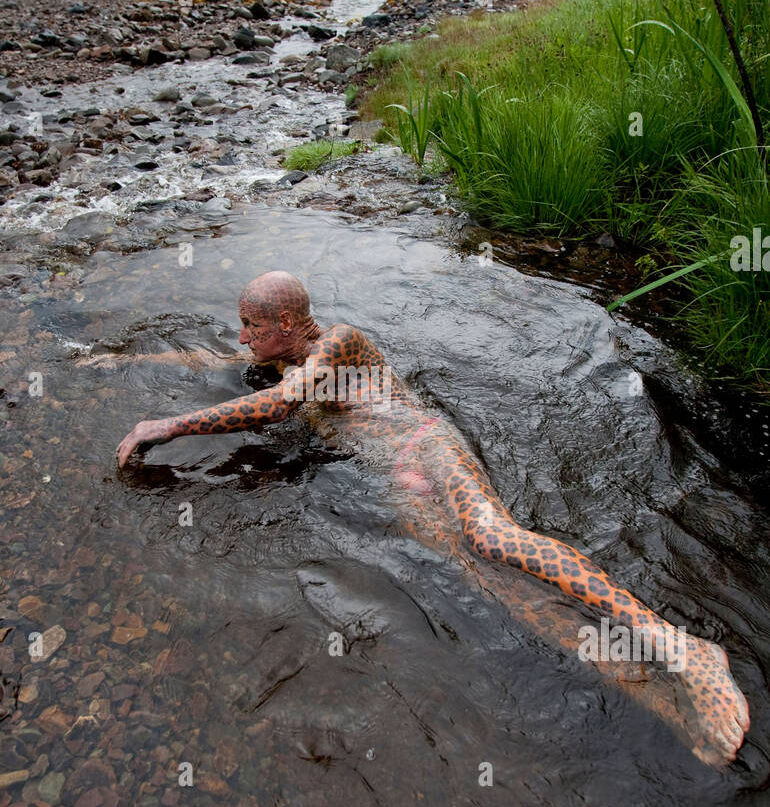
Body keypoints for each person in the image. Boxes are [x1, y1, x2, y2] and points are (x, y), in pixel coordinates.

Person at [111, 269, 750, 766]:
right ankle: (661, 699)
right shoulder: (279, 358)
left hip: (424, 447)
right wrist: (120, 360)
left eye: (250, 324)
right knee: (501, 590)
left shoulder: (338, 343)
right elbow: (213, 362)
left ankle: (683, 649)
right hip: (399, 483)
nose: (242, 336)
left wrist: (167, 426)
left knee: (490, 537)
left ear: (285, 319)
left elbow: (282, 404)